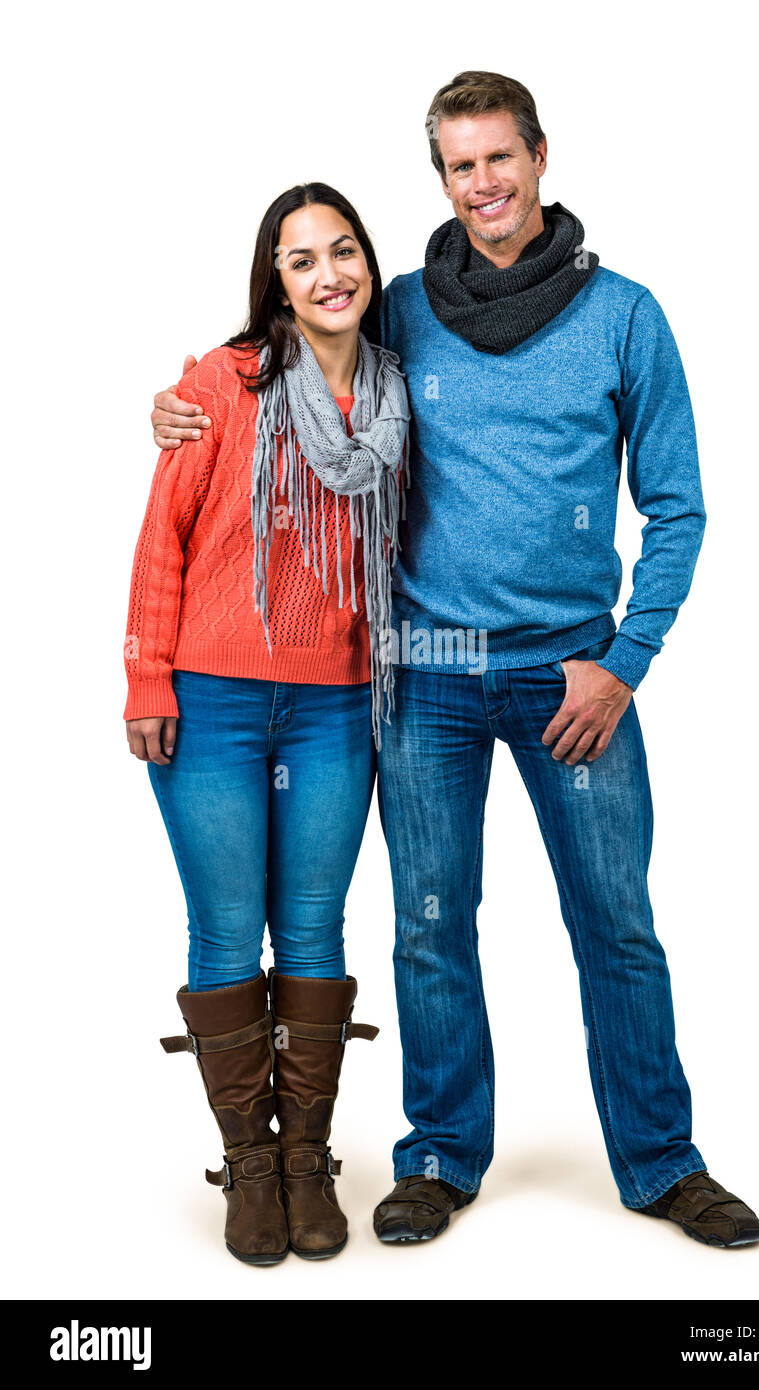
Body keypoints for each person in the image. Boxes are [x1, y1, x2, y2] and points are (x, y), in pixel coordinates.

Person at [151, 72, 759, 1250]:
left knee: (616, 923)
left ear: (539, 157)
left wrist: (623, 661)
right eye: (458, 166)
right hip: (420, 671)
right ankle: (437, 1153)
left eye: (499, 159)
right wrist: (178, 401)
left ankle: (659, 1160)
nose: (482, 184)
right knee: (430, 924)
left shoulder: (624, 314)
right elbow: (285, 358)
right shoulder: (399, 309)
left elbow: (676, 508)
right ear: (438, 178)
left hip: (571, 678)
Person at [125, 182, 408, 1264]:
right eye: (301, 260)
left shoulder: (394, 392)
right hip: (215, 700)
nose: (328, 273)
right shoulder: (224, 382)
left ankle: (306, 1159)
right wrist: (147, 678)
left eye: (345, 251)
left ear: (368, 266)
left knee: (316, 927)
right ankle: (250, 1159)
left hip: (337, 702)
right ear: (274, 281)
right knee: (224, 929)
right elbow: (166, 533)